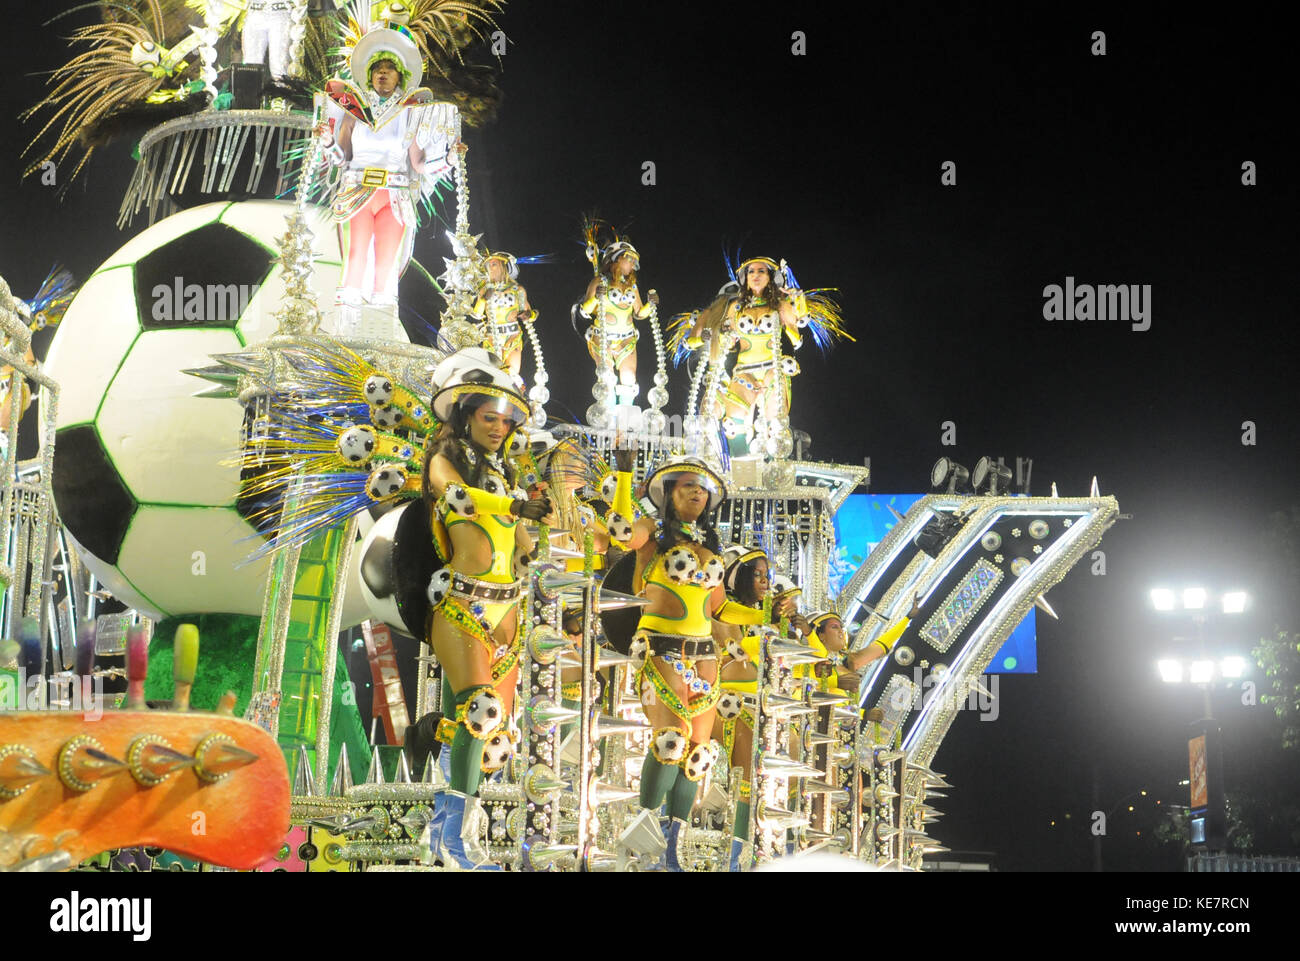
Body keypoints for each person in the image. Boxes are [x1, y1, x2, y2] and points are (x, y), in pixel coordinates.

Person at [608, 448, 768, 870]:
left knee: (698, 756)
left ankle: (672, 851)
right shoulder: (652, 536)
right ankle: (641, 845)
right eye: (687, 488)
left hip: (704, 657)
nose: (696, 494)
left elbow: (718, 610)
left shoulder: (708, 549)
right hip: (660, 648)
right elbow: (621, 531)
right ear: (670, 495)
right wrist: (625, 477)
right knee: (670, 743)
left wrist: (766, 619)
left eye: (702, 489)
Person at [421, 355, 551, 868]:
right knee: (480, 711)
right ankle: (458, 841)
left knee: (499, 734)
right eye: (488, 417)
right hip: (462, 606)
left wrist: (544, 529)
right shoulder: (443, 463)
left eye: (506, 420)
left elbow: (523, 548)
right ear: (465, 416)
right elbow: (459, 497)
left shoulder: (507, 475)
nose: (499, 428)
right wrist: (516, 507)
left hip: (509, 610)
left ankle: (442, 826)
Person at [322, 22, 457, 323]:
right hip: (358, 190)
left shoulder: (411, 111)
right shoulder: (353, 108)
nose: (382, 73)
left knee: (386, 264)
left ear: (400, 76)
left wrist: (448, 159)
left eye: (389, 68)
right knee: (356, 256)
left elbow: (419, 163)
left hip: (394, 195)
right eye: (377, 68)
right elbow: (341, 158)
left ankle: (380, 327)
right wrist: (328, 142)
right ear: (369, 74)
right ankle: (347, 326)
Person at [676, 256, 847, 457]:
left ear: (770, 277)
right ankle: (740, 471)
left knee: (774, 423)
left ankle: (769, 472)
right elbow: (726, 339)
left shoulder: (780, 305)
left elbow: (797, 335)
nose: (755, 275)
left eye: (761, 271)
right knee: (733, 422)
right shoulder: (736, 307)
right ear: (744, 278)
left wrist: (797, 301)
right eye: (751, 272)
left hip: (771, 369)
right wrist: (712, 337)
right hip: (743, 370)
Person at [577, 223, 659, 409]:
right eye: (628, 259)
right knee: (607, 379)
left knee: (629, 378)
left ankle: (624, 422)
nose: (632, 264)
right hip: (602, 337)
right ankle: (608, 416)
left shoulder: (632, 286)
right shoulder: (599, 281)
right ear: (616, 260)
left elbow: (639, 313)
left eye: (633, 261)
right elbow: (586, 310)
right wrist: (597, 297)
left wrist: (651, 304)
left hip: (627, 339)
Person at [471, 252, 535, 377]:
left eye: (494, 264)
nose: (491, 268)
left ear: (503, 266)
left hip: (512, 337)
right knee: (492, 375)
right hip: (491, 338)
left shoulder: (517, 290)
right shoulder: (485, 290)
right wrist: (483, 299)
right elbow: (477, 314)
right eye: (488, 266)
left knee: (512, 375)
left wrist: (528, 315)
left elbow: (529, 313)